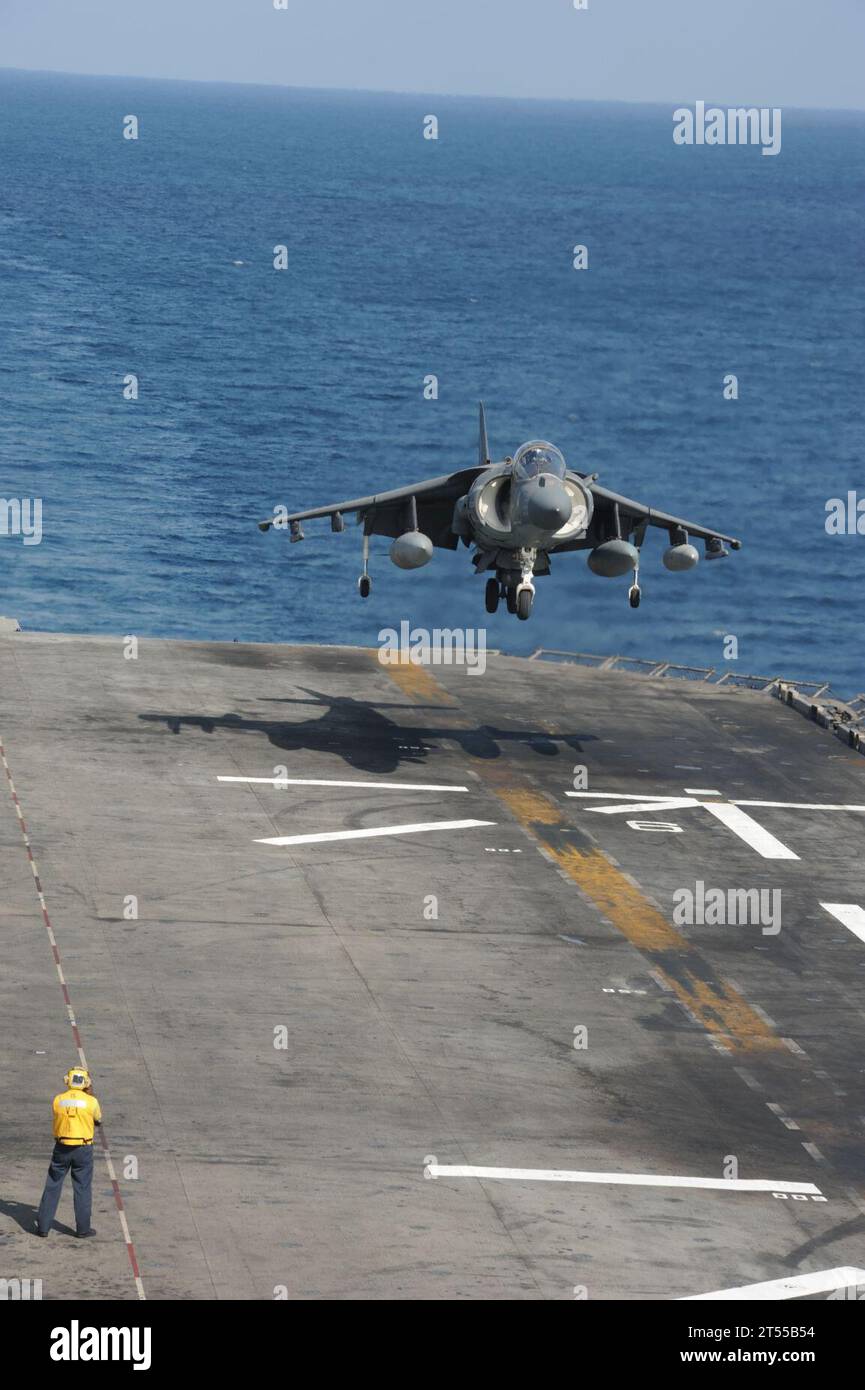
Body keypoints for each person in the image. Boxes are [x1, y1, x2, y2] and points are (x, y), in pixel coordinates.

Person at [35, 1066, 102, 1238]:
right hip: (83, 1148)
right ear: (86, 1082)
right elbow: (98, 1119)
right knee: (82, 1187)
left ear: (68, 1080)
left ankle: (43, 1227)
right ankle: (83, 1229)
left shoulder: (58, 1100)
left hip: (62, 1147)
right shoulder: (91, 1101)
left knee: (53, 1185)